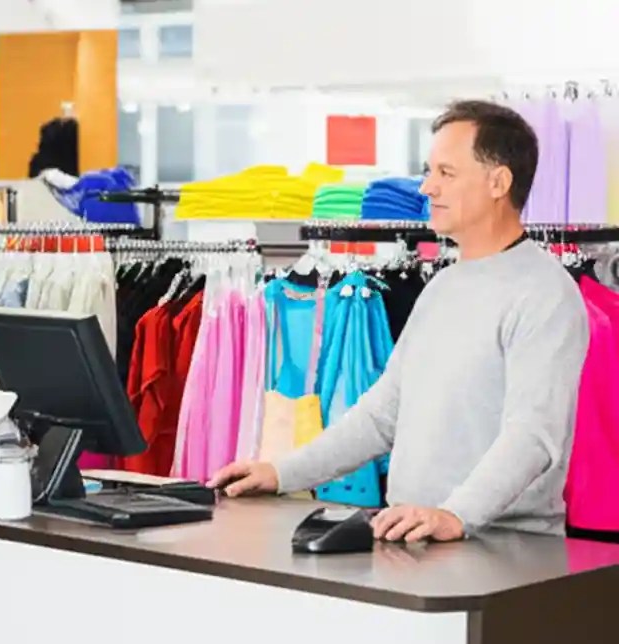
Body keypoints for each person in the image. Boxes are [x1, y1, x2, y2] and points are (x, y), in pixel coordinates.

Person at [209, 100, 589, 543]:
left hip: (502, 546)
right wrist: (281, 472)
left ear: (498, 182)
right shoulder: (443, 286)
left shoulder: (545, 294)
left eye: (446, 173)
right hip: (416, 532)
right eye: (429, 171)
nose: (427, 187)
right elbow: (381, 414)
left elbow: (533, 436)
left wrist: (456, 514)